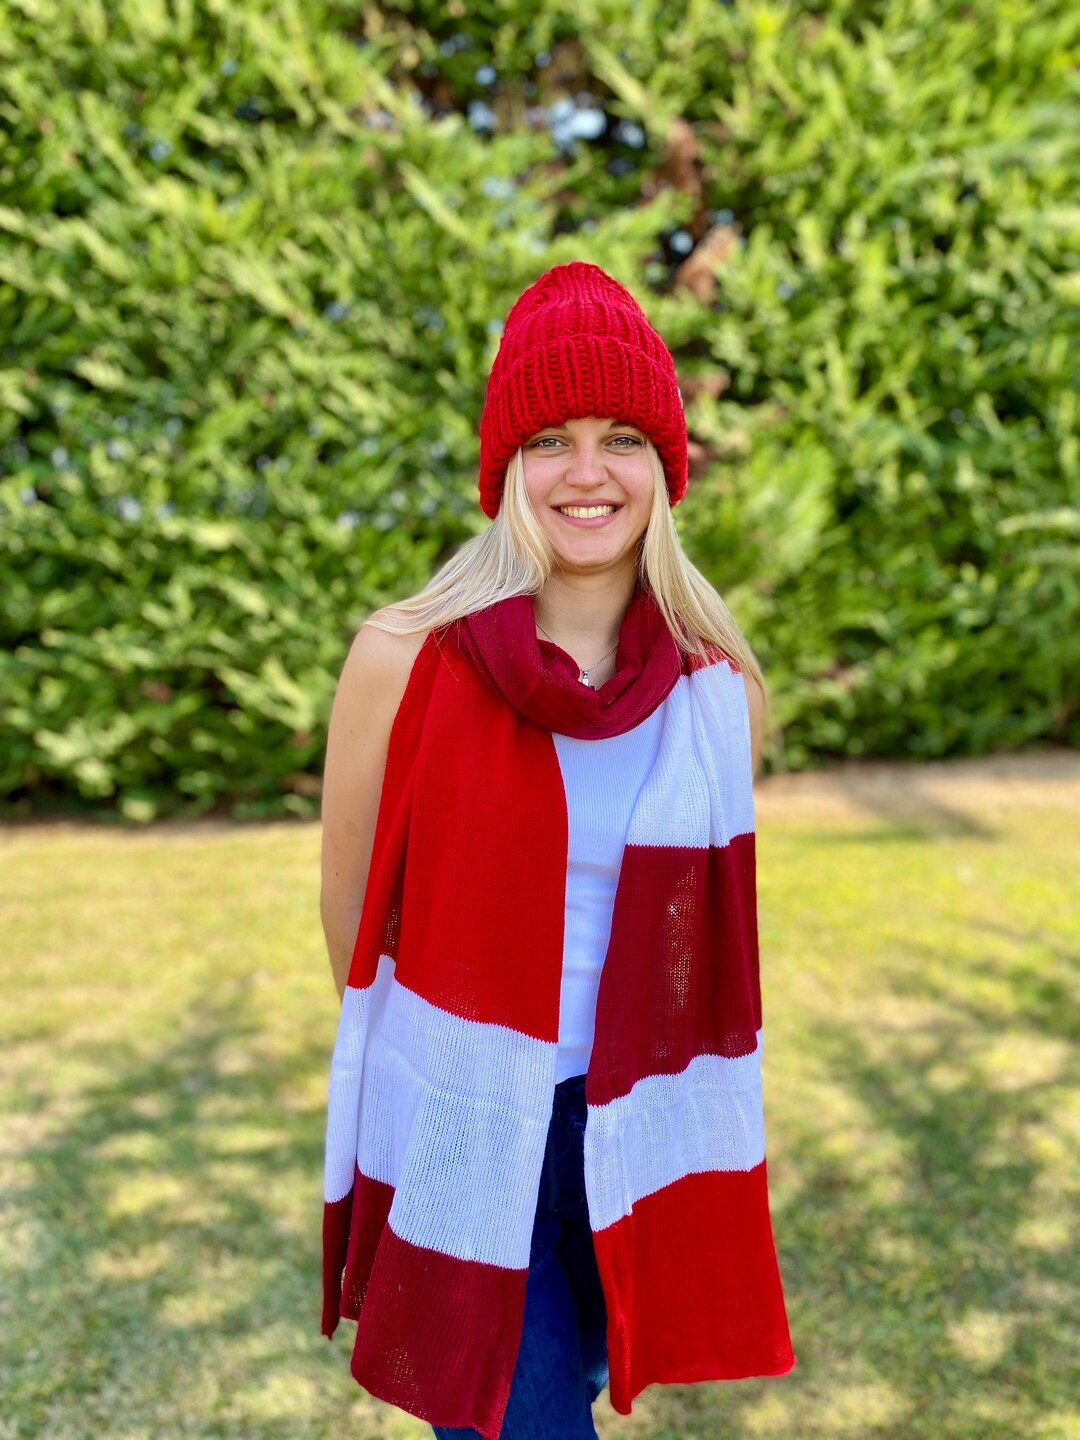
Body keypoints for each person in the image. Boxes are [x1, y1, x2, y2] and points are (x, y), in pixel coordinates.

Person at [319, 261, 795, 1440]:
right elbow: (350, 923)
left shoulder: (708, 687)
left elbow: (706, 940)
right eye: (550, 439)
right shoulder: (403, 659)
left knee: (564, 1391)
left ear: (666, 469)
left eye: (622, 435)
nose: (588, 473)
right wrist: (453, 1081)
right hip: (468, 1114)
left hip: (624, 1121)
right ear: (505, 470)